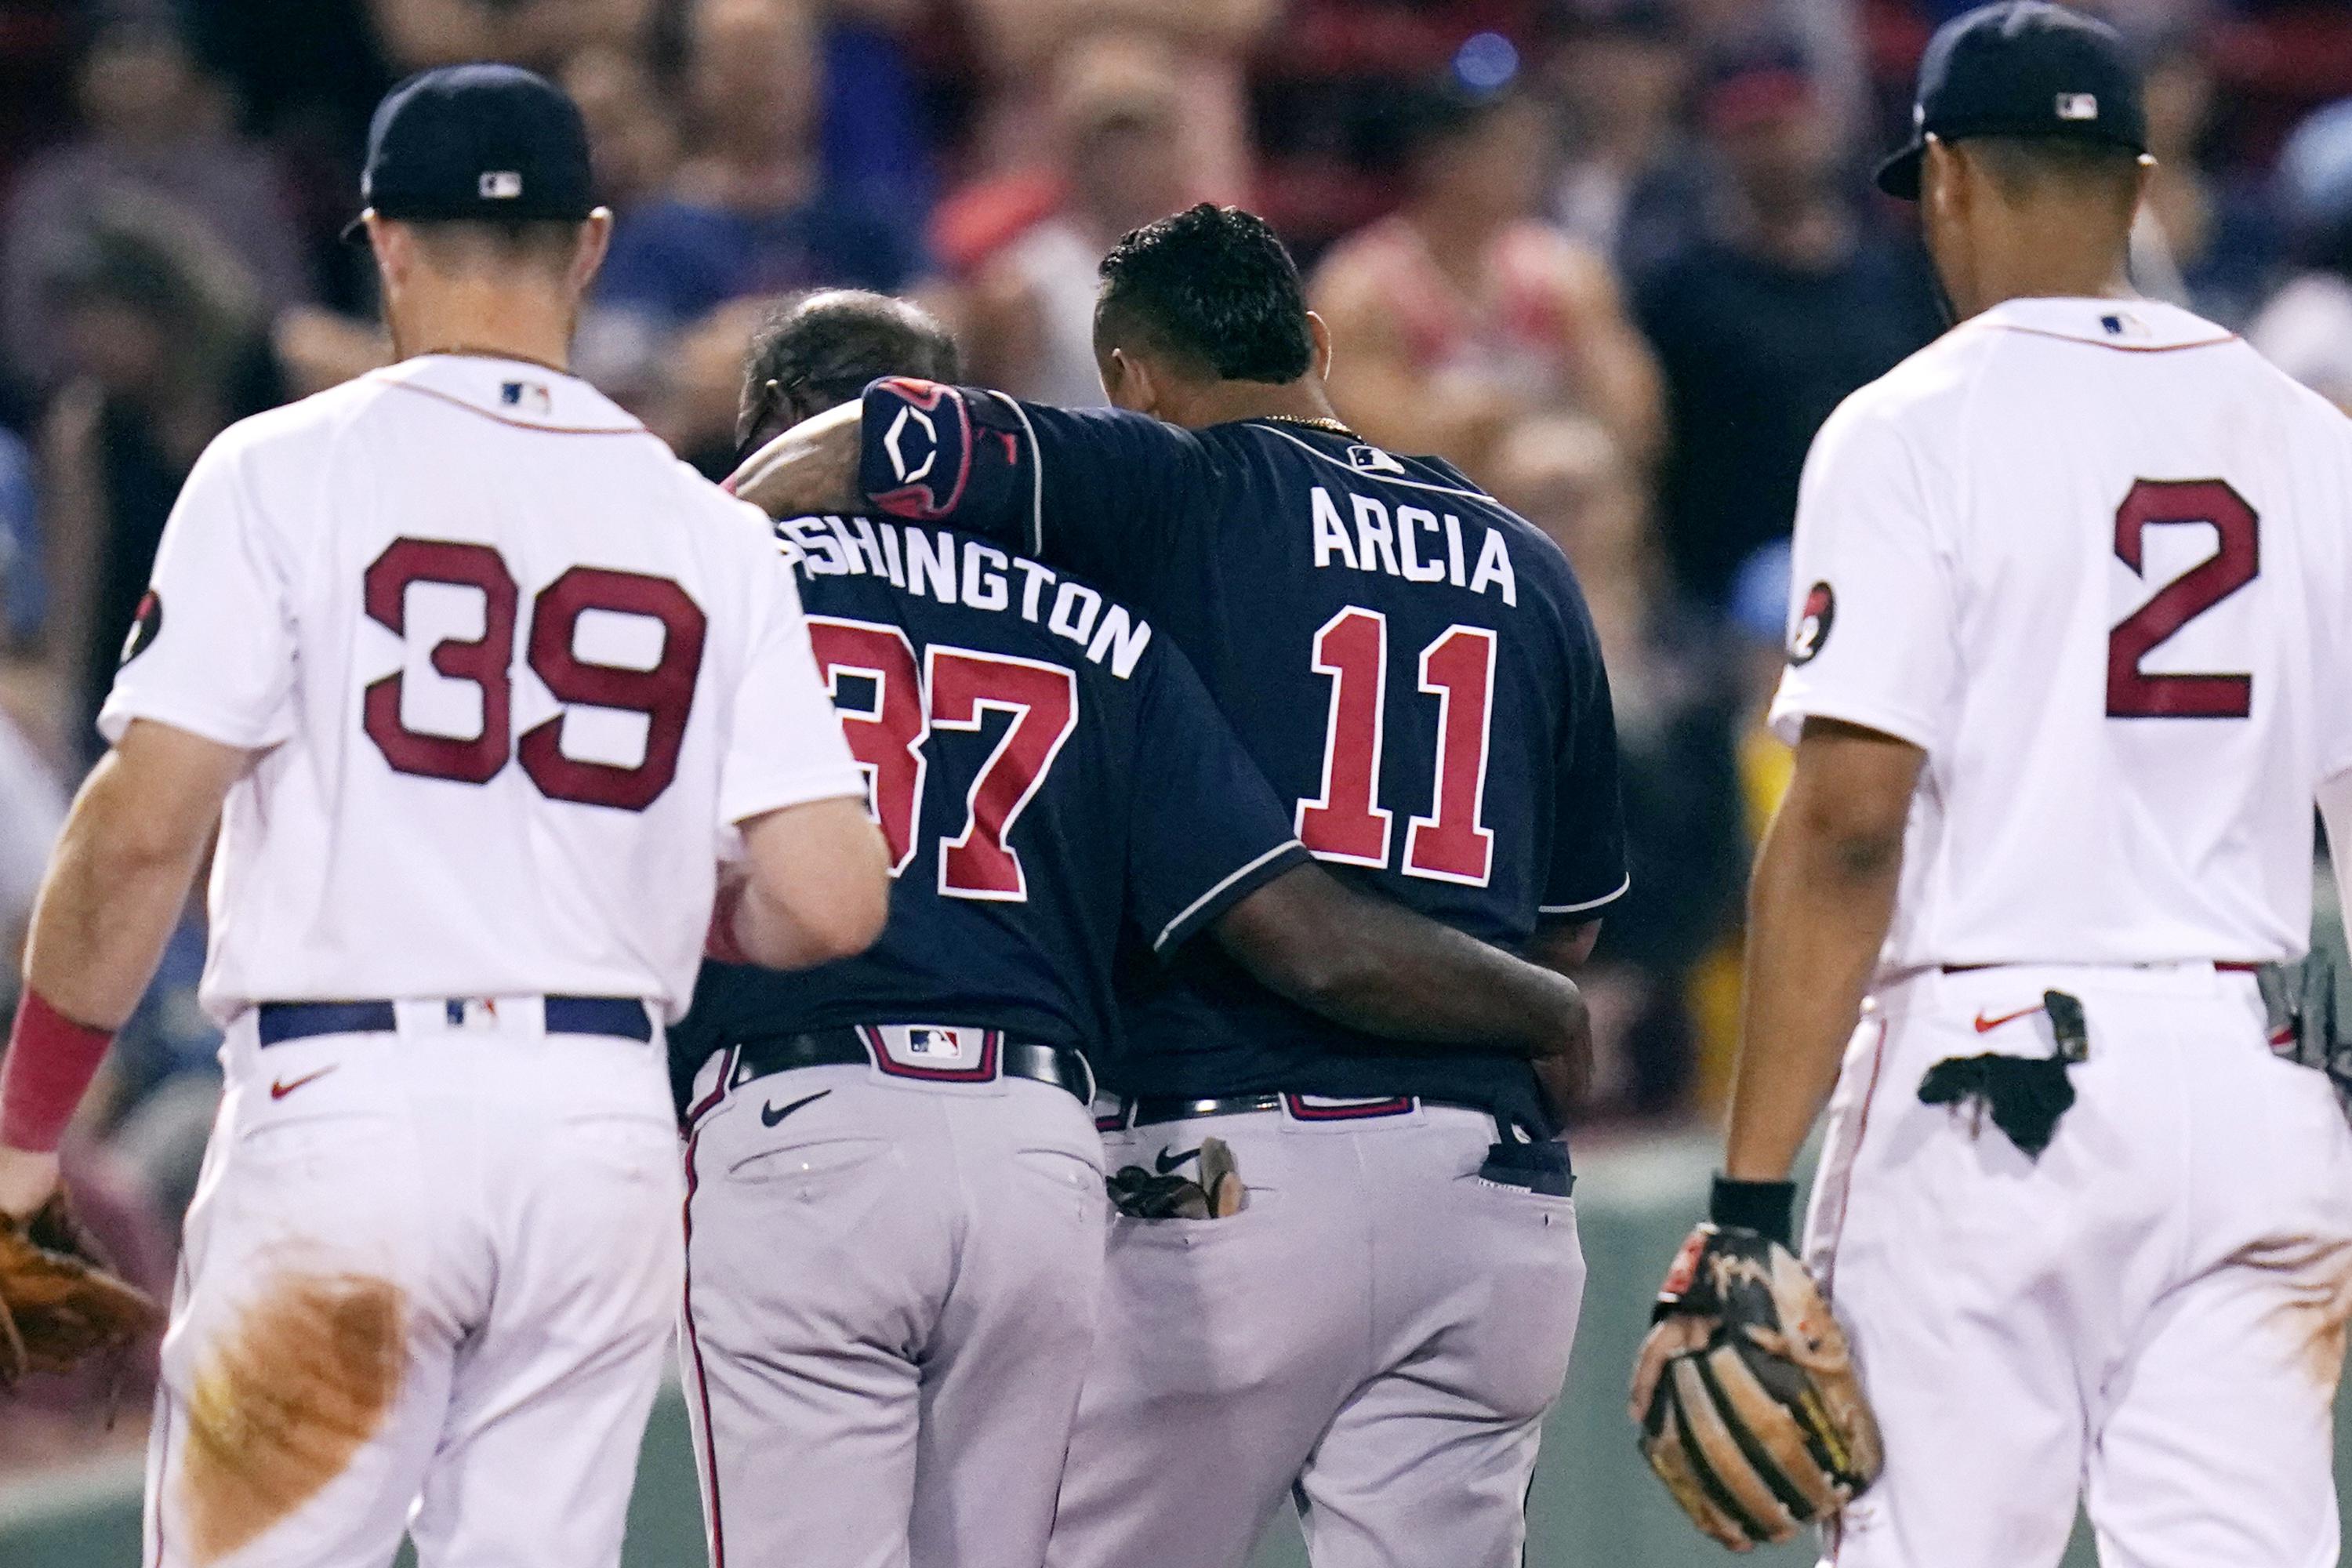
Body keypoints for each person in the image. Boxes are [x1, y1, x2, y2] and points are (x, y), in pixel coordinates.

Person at [0, 64, 889, 1567]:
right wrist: (660, 881)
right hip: (600, 1134)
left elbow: (140, 831)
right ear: (591, 245)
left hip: (347, 1110)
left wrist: (25, 1141)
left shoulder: (280, 470)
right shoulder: (710, 529)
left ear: (382, 240)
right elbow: (831, 899)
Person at [733, 201, 1628, 1568]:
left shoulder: (1174, 486)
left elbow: (866, 438)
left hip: (1228, 1159)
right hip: (1492, 1194)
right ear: (1315, 338)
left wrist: (703, 556)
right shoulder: (1531, 562)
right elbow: (1563, 931)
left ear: (1132, 379)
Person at [1636, 6, 2352, 1563]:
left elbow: (1845, 824)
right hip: (2255, 1071)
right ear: (2138, 180)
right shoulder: (2314, 443)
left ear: (1946, 179)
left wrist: (1750, 1203)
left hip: (1991, 1088)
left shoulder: (1909, 428)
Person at [1633, 40, 1941, 606]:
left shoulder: (1901, 269)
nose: (1775, 149)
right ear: (1716, 142)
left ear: (1827, 124)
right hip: (1738, 582)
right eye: (1750, 131)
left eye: (1786, 124)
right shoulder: (1681, 292)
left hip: (1900, 548)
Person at [1311, 77, 1662, 480]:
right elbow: (1365, 437)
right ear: (1440, 158)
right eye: (1506, 146)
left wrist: (1503, 423)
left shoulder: (1566, 273)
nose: (1528, 165)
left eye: (1532, 148)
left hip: (1553, 496)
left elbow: (1635, 420)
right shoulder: (1362, 287)